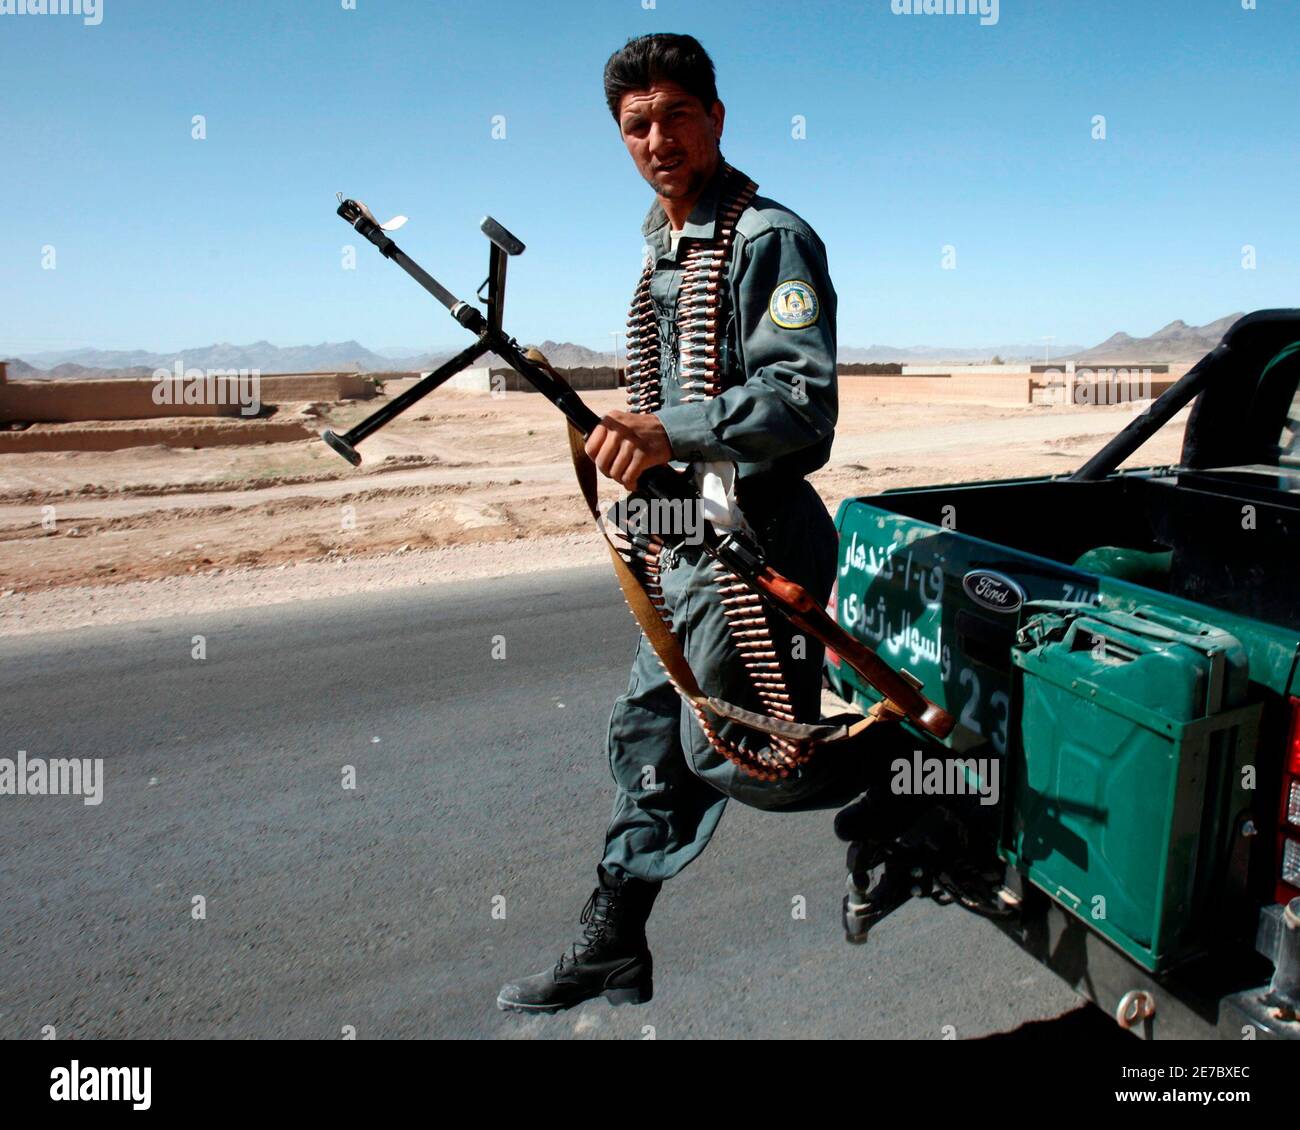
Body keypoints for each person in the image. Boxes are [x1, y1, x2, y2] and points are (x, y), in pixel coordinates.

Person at [497, 32, 898, 1015]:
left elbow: (802, 409)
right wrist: (632, 450)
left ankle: (910, 768)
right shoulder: (663, 250)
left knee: (737, 751)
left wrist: (663, 429)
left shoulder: (766, 240)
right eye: (637, 123)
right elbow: (674, 409)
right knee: (647, 732)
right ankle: (614, 938)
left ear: (715, 118)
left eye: (677, 114)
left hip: (755, 533)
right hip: (692, 534)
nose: (658, 137)